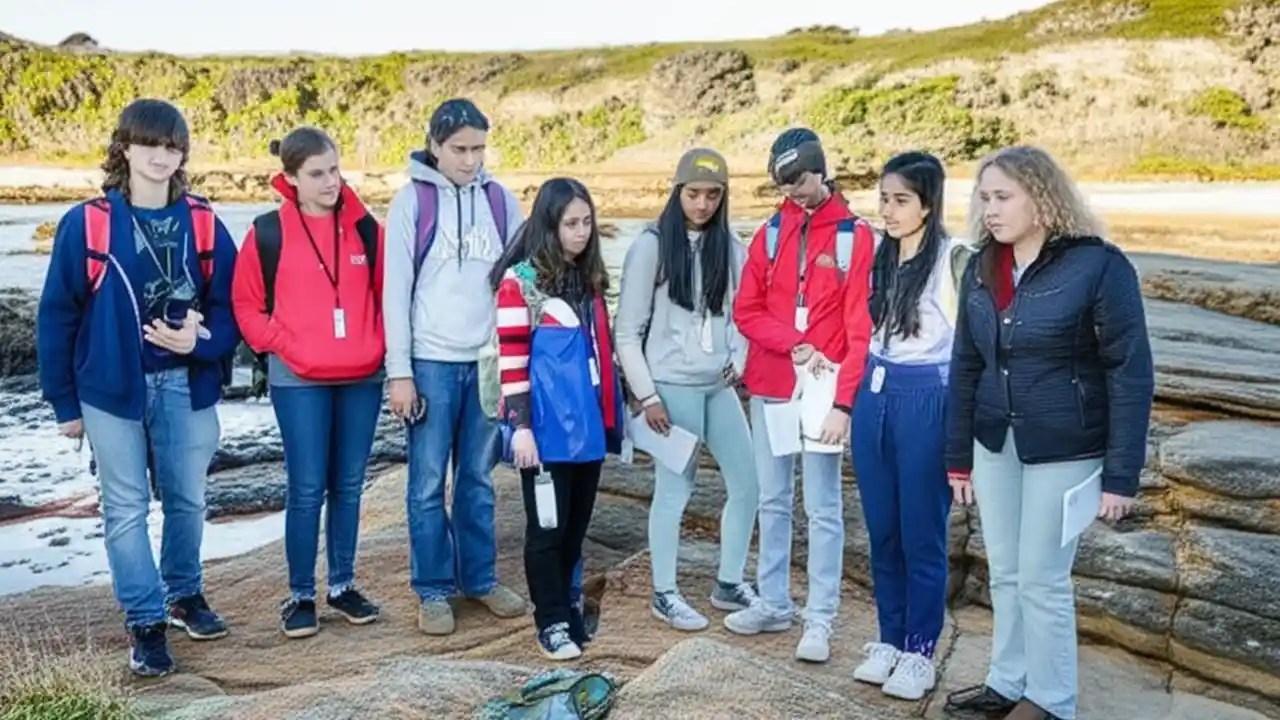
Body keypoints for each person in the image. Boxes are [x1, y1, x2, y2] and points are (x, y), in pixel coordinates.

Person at [942, 146, 1154, 720]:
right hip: (994, 443)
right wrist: (957, 456)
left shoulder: (1100, 267)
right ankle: (1006, 683)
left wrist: (1120, 476)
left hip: (1068, 448)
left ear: (1042, 199)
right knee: (1005, 572)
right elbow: (966, 364)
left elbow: (1130, 372)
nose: (990, 209)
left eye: (1003, 197)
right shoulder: (982, 266)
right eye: (984, 197)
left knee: (1041, 577)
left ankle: (1052, 700)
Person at [35, 98, 240, 677]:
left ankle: (184, 594)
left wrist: (198, 343)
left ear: (183, 155)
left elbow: (233, 310)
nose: (162, 156)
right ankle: (146, 622)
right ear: (124, 147)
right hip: (109, 390)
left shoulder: (201, 220)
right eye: (150, 144)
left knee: (189, 500)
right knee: (124, 509)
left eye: (173, 146)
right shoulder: (89, 222)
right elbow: (57, 315)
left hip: (185, 385)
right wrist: (63, 405)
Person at [723, 128, 875, 664]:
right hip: (773, 385)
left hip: (824, 390)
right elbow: (747, 311)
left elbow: (862, 326)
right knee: (773, 498)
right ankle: (772, 602)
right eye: (785, 187)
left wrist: (844, 403)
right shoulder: (767, 234)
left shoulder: (856, 237)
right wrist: (795, 343)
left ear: (821, 171)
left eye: (802, 182)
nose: (795, 194)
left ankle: (821, 619)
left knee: (824, 506)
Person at [231, 127, 387, 639]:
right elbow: (246, 307)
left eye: (335, 171)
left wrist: (378, 343)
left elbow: (393, 296)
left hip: (362, 376)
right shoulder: (267, 232)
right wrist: (287, 346)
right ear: (291, 178)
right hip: (298, 380)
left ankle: (341, 586)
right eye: (316, 174)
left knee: (348, 485)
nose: (329, 182)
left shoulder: (368, 230)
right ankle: (299, 594)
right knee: (305, 489)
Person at [382, 98, 528, 634]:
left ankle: (482, 580)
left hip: (486, 361)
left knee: (478, 479)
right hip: (430, 364)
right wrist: (400, 372)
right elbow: (394, 292)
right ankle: (433, 589)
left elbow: (521, 278)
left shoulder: (500, 200)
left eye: (479, 149)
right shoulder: (410, 203)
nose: (471, 160)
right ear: (436, 146)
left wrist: (517, 356)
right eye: (460, 149)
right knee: (424, 482)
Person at [613, 148, 759, 631]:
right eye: (693, 193)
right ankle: (665, 592)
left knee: (748, 482)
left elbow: (743, 315)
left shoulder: (731, 246)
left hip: (717, 388)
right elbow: (627, 331)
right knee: (675, 490)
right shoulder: (651, 246)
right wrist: (648, 396)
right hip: (671, 389)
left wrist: (738, 360)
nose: (702, 204)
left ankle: (729, 582)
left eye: (713, 195)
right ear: (676, 191)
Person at [849, 151, 973, 700]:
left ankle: (921, 649)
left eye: (901, 200)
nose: (889, 210)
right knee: (883, 530)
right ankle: (890, 638)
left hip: (927, 396)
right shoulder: (881, 257)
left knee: (922, 532)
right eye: (884, 199)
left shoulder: (953, 259)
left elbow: (971, 351)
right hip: (875, 392)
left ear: (928, 204)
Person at [490, 177, 624, 660]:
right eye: (571, 223)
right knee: (545, 530)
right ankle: (549, 622)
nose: (582, 232)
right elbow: (511, 360)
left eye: (587, 222)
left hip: (587, 428)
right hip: (545, 434)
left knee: (573, 528)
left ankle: (568, 608)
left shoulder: (586, 278)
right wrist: (520, 427)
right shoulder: (519, 283)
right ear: (548, 224)